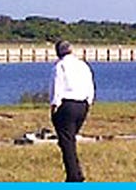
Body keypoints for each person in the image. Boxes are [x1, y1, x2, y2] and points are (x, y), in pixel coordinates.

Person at [49, 40, 95, 182]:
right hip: (82, 104)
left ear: (58, 52)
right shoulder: (83, 65)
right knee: (70, 139)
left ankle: (74, 176)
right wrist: (88, 102)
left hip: (67, 105)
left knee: (66, 142)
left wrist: (54, 106)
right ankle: (75, 173)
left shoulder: (60, 66)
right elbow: (90, 85)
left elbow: (57, 87)